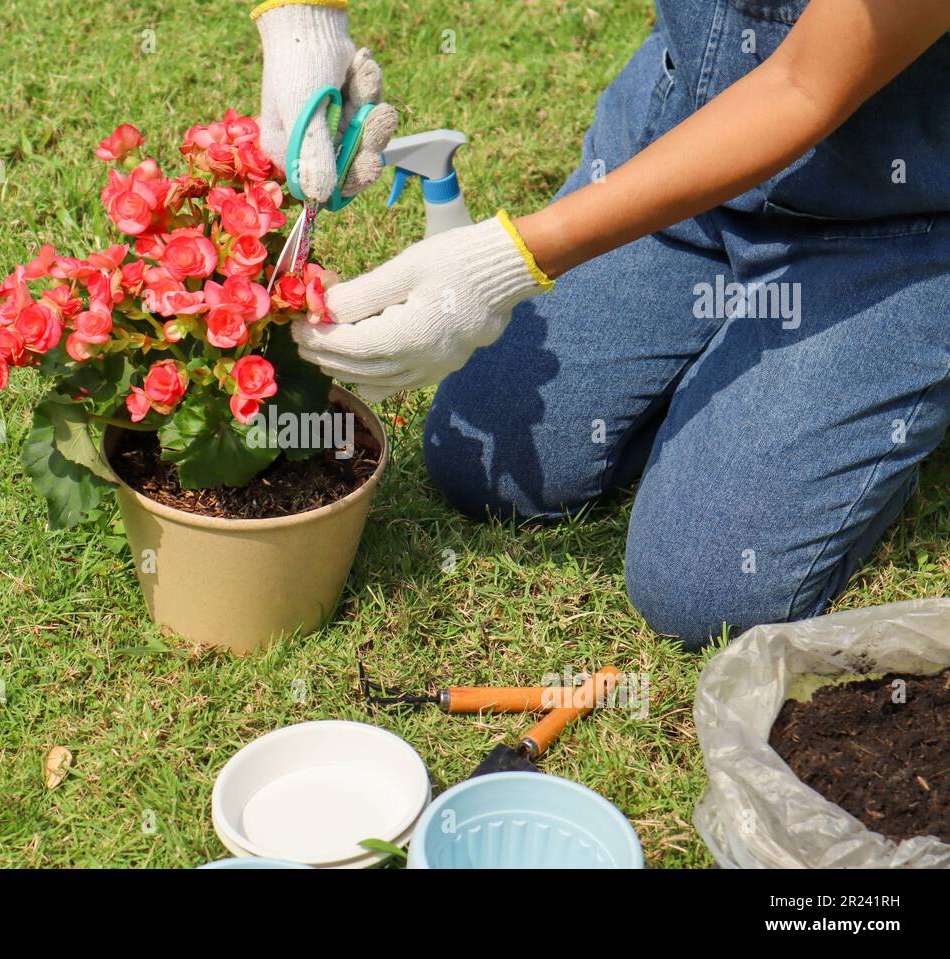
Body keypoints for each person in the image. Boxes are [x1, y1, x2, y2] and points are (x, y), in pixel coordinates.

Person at [253, 0, 950, 648]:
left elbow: (803, 86)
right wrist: (304, 22)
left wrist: (509, 261)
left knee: (703, 584)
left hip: (894, 215)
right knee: (484, 458)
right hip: (684, 139)